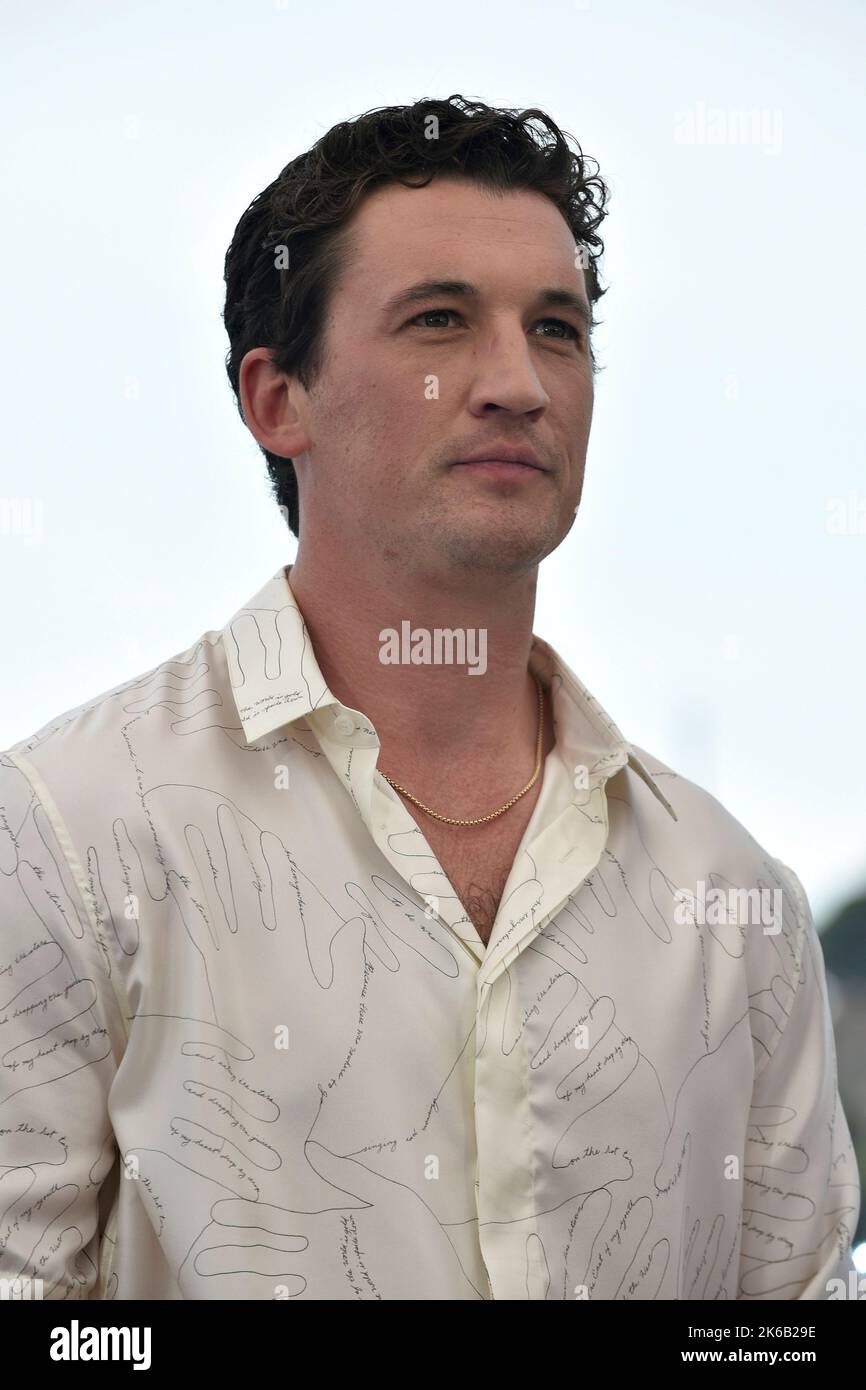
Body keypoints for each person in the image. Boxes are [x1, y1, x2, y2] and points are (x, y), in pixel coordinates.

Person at [0, 95, 859, 1301]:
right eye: (439, 322)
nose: (516, 382)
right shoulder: (66, 833)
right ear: (274, 398)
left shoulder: (729, 899)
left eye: (556, 329)